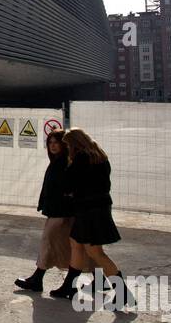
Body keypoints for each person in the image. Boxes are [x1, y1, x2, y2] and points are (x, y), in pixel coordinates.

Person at [54, 128, 131, 307]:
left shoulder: (81, 158)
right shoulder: (100, 157)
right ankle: (69, 286)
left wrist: (68, 166)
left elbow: (67, 183)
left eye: (68, 146)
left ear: (74, 144)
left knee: (96, 252)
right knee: (76, 243)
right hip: (99, 207)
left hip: (89, 210)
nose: (67, 149)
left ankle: (123, 293)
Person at [15, 129, 90, 291]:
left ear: (64, 144)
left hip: (62, 212)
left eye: (56, 142)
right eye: (50, 143)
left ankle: (37, 278)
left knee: (48, 242)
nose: (53, 146)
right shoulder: (57, 161)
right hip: (59, 211)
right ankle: (99, 278)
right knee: (76, 248)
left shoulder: (65, 161)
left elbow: (67, 186)